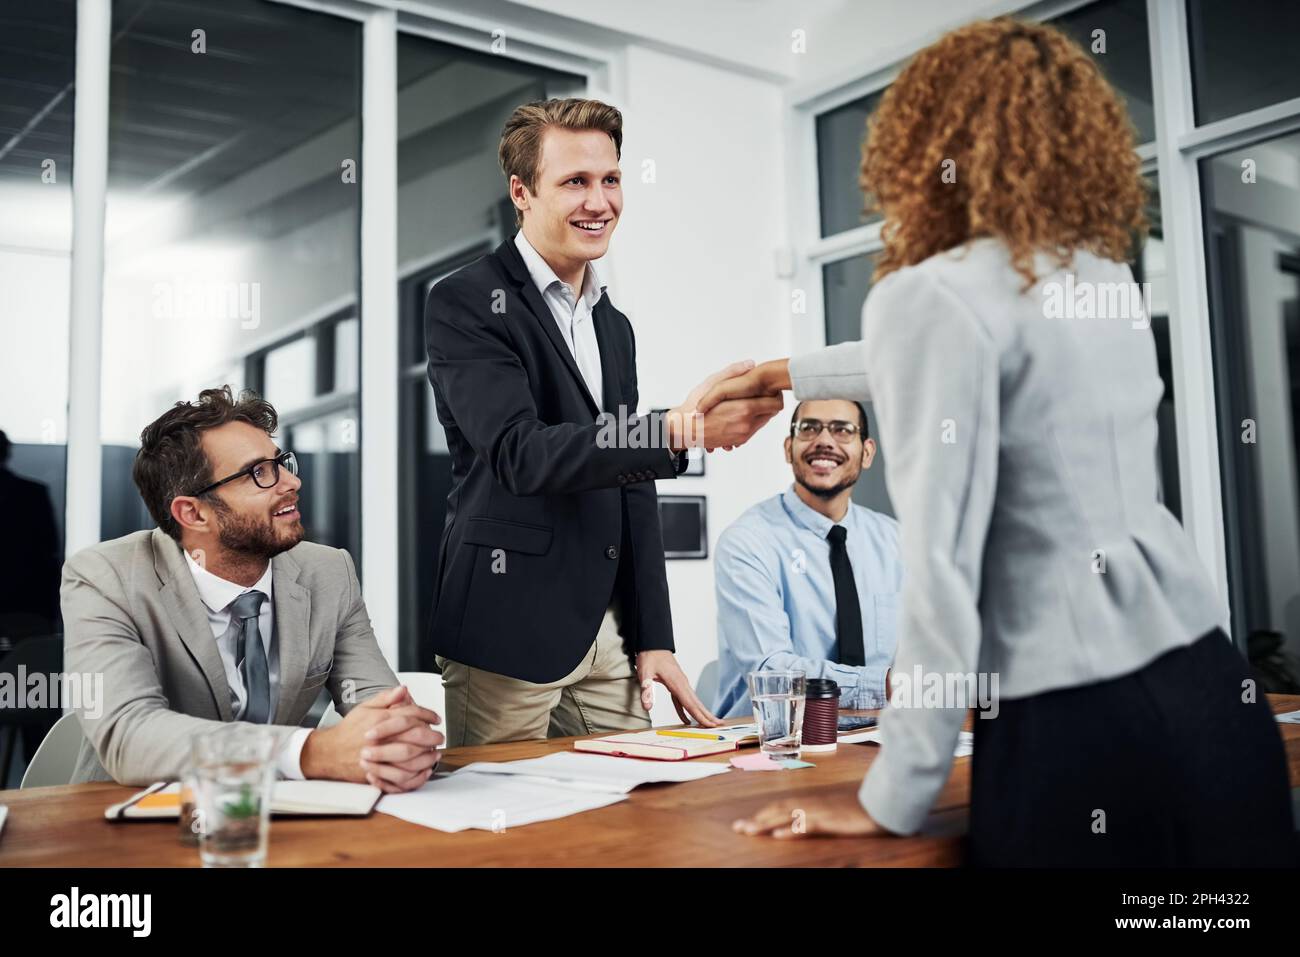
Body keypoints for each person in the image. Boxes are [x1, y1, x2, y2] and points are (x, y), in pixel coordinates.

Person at [711, 19, 1296, 866]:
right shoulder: (1099, 274)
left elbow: (946, 576)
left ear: (925, 140)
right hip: (1212, 700)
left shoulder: (927, 297)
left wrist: (894, 795)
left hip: (1080, 734)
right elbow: (967, 353)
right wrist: (784, 372)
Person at [423, 98, 782, 746]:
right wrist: (670, 429)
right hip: (506, 630)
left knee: (634, 806)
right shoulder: (466, 301)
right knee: (510, 832)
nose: (600, 201)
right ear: (522, 192)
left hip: (604, 633)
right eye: (575, 182)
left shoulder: (613, 328)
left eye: (610, 179)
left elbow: (630, 479)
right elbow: (520, 453)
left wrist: (653, 635)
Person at [63, 387, 443, 792]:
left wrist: (399, 741)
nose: (292, 482)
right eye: (259, 472)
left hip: (279, 819)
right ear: (193, 512)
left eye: (282, 462)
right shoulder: (105, 578)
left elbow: (377, 704)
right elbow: (129, 734)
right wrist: (309, 752)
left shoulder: (329, 571)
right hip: (133, 821)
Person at [713, 399, 901, 717]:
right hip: (772, 741)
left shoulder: (897, 541)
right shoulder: (747, 542)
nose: (824, 441)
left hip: (879, 733)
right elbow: (772, 672)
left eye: (842, 430)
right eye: (809, 428)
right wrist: (884, 685)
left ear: (867, 452)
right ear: (788, 448)